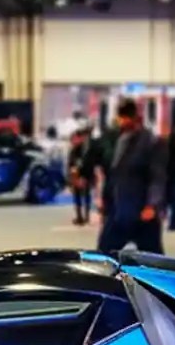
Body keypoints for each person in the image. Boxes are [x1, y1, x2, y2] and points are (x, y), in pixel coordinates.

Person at [97, 98, 166, 254]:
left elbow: (157, 176)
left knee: (153, 260)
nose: (122, 121)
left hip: (142, 213)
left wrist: (152, 205)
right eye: (120, 117)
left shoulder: (150, 141)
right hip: (117, 211)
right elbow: (113, 174)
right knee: (104, 256)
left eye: (125, 117)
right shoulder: (116, 140)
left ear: (135, 117)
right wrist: (105, 200)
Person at [66, 129, 93, 225]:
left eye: (75, 139)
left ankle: (86, 216)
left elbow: (88, 165)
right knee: (77, 196)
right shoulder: (73, 151)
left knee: (86, 195)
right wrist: (71, 179)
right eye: (72, 139)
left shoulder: (85, 151)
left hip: (85, 176)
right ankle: (79, 216)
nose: (73, 141)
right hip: (75, 176)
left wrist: (84, 178)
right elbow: (70, 165)